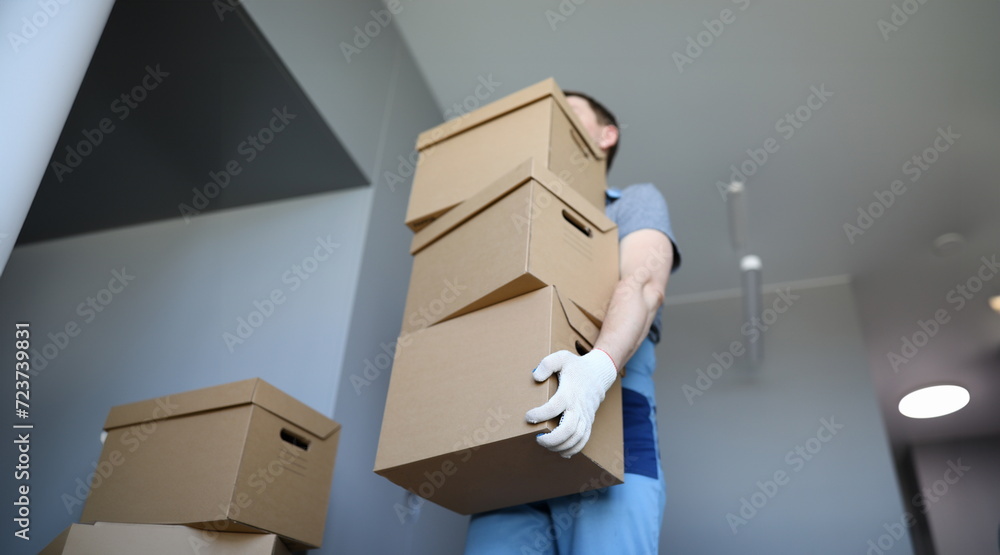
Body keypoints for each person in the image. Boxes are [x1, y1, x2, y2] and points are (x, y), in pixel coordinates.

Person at [463, 91, 682, 554]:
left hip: (614, 409)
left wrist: (598, 369)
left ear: (606, 135)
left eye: (568, 112)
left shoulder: (633, 202)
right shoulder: (513, 218)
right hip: (513, 422)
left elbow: (644, 284)